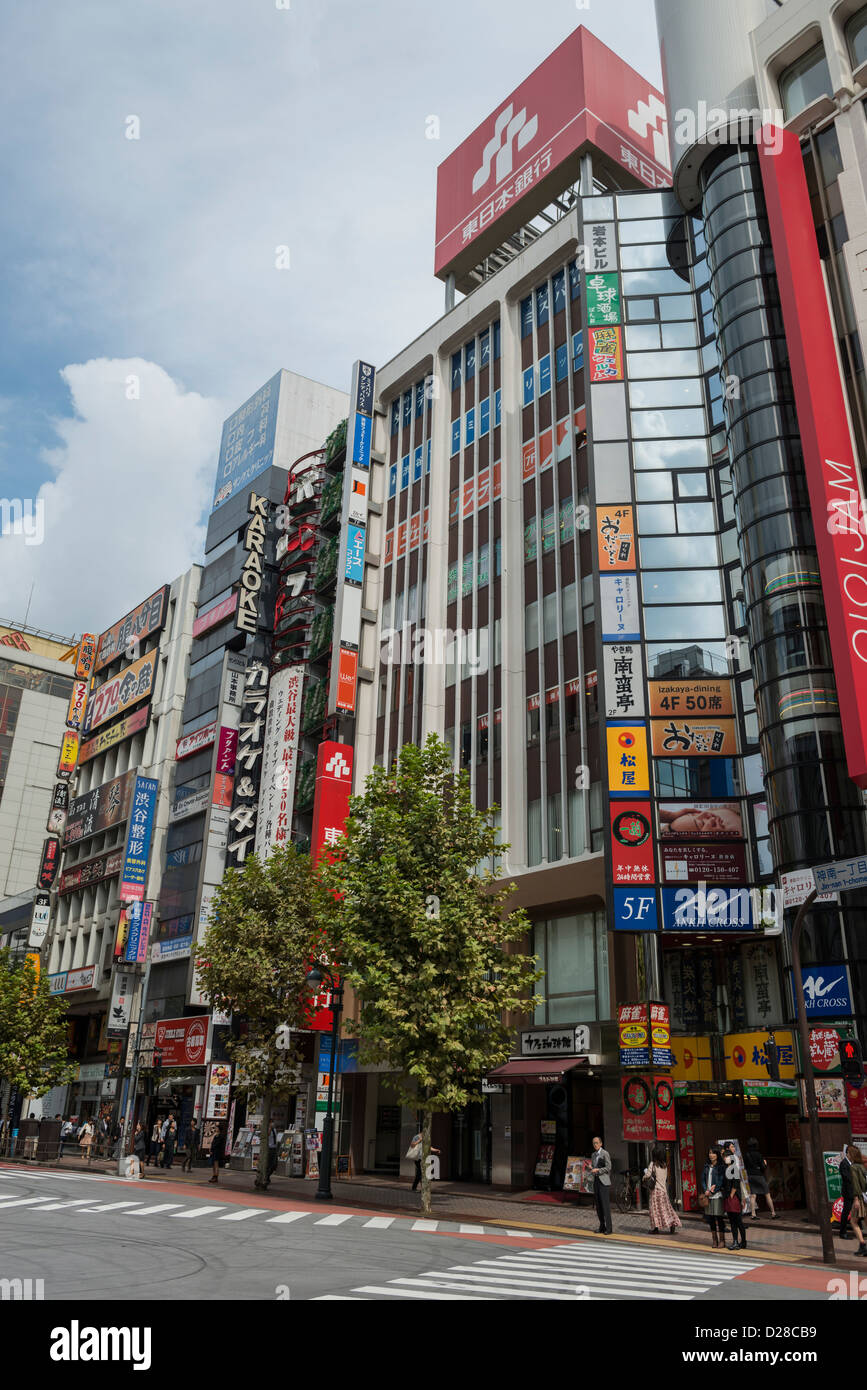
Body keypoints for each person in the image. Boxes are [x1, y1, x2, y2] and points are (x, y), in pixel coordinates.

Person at [643, 1146, 682, 1234]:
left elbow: (648, 1175)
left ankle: (656, 1228)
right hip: (663, 1191)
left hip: (655, 1191)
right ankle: (672, 1223)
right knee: (666, 1208)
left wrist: (644, 1176)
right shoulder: (664, 1165)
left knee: (655, 1210)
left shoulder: (653, 1164)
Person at [722, 1145, 748, 1250]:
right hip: (728, 1198)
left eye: (726, 1157)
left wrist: (731, 1196)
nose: (725, 1158)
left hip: (733, 1198)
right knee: (732, 1221)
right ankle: (735, 1241)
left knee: (738, 1221)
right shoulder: (725, 1169)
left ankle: (743, 1241)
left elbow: (736, 1185)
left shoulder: (734, 1169)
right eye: (724, 1157)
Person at [700, 1146, 727, 1249]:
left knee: (719, 1218)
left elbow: (720, 1181)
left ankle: (722, 1241)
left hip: (717, 1195)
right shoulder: (707, 1166)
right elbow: (703, 1179)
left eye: (713, 1153)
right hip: (708, 1195)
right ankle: (714, 1240)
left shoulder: (721, 1166)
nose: (711, 1155)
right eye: (710, 1153)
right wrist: (706, 1190)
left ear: (717, 1155)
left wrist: (713, 1191)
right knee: (710, 1218)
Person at [744, 1137, 776, 1219]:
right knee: (767, 1194)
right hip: (758, 1175)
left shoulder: (746, 1154)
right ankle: (773, 1213)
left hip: (750, 1175)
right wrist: (765, 1163)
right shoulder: (758, 1154)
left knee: (753, 1195)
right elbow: (763, 1167)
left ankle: (753, 1214)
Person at [846, 1144, 867, 1256]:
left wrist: (856, 1199)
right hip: (866, 1196)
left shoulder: (854, 1167)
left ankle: (863, 1245)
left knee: (854, 1222)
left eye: (848, 1153)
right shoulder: (863, 1166)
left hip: (859, 1198)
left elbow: (856, 1185)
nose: (847, 1155)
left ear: (852, 1154)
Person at [590, 1135, 613, 1234]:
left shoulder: (605, 1153)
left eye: (596, 1143)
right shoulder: (593, 1155)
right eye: (593, 1143)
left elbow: (609, 1167)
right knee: (598, 1205)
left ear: (601, 1143)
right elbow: (593, 1166)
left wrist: (598, 1170)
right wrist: (591, 1168)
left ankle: (609, 1228)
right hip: (596, 1181)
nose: (595, 1144)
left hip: (604, 1182)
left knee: (605, 1205)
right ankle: (601, 1226)